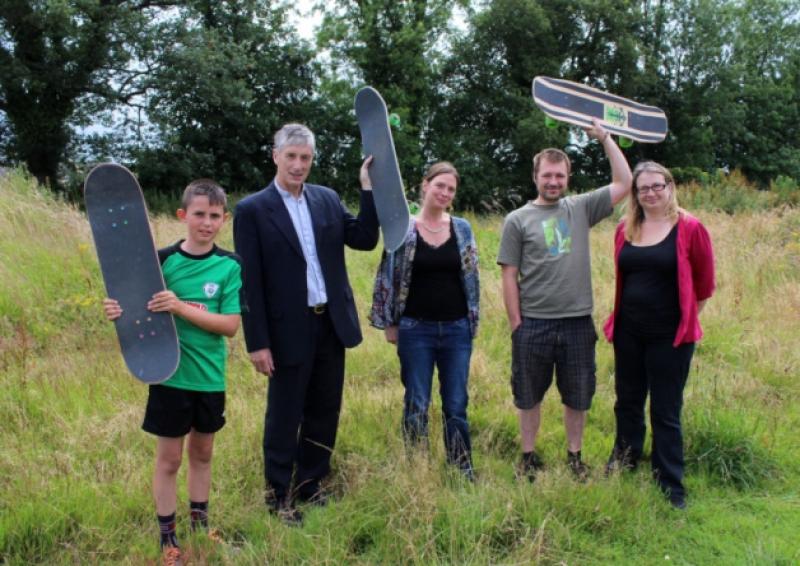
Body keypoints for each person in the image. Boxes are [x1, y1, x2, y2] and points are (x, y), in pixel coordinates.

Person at [233, 123, 379, 526]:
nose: (299, 165)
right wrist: (257, 342)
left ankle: (312, 487)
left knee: (324, 410)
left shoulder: (327, 200)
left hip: (330, 324)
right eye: (292, 156)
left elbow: (366, 238)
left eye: (306, 158)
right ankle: (278, 497)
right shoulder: (252, 210)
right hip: (284, 332)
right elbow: (250, 283)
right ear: (276, 155)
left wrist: (367, 188)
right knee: (284, 415)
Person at [103, 179, 243, 565]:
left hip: (210, 377)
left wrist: (181, 308)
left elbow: (230, 325)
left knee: (203, 454)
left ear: (224, 219)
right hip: (170, 375)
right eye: (199, 214)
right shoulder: (162, 260)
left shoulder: (230, 266)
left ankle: (201, 529)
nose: (207, 222)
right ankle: (169, 539)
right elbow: (133, 307)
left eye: (215, 216)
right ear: (183, 216)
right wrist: (118, 312)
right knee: (170, 460)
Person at [497, 119, 632, 481]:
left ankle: (575, 457)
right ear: (535, 177)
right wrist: (516, 324)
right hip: (534, 324)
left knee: (578, 395)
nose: (553, 182)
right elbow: (508, 274)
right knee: (528, 396)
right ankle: (528, 457)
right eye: (547, 176)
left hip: (576, 322)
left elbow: (625, 182)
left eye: (560, 175)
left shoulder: (580, 208)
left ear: (568, 176)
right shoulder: (517, 219)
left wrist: (605, 137)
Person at [603, 161, 715, 509]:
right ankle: (624, 461)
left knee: (666, 410)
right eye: (643, 188)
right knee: (628, 402)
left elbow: (704, 286)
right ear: (635, 194)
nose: (650, 193)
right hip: (629, 331)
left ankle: (670, 483)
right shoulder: (626, 229)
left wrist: (681, 320)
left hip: (670, 336)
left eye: (657, 186)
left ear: (669, 186)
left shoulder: (691, 228)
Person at [370, 162, 480, 479]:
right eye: (440, 185)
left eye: (451, 189)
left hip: (457, 328)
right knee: (417, 401)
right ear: (425, 185)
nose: (445, 193)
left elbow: (472, 278)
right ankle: (417, 469)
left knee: (456, 403)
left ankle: (462, 468)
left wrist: (472, 321)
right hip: (415, 329)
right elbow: (386, 275)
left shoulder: (462, 228)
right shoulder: (403, 227)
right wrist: (390, 323)